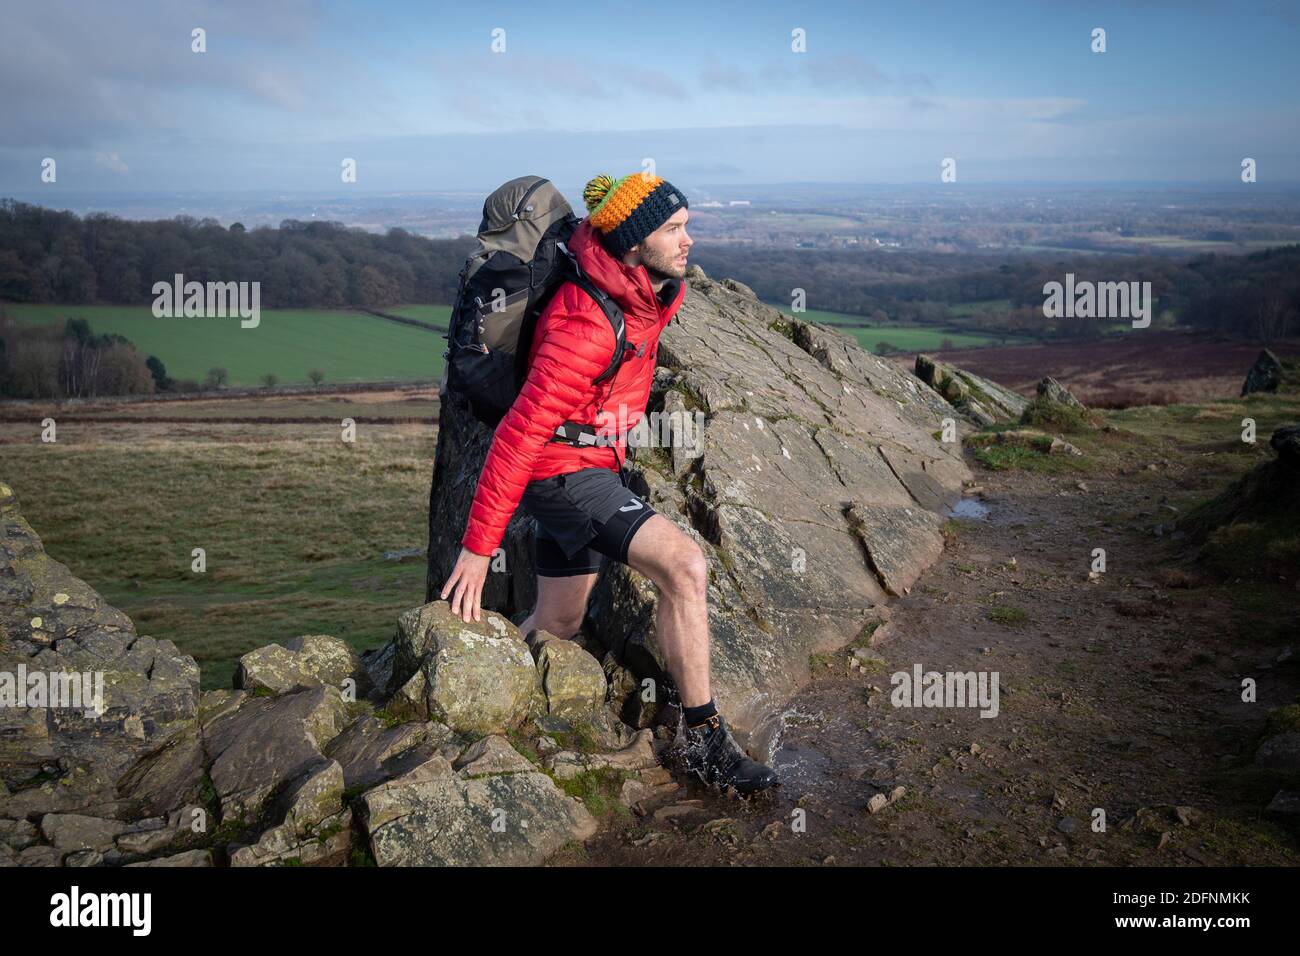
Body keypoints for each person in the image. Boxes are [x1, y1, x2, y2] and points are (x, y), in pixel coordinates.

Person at [440, 172, 777, 795]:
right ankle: (703, 740)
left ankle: (480, 691)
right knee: (684, 567)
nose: (689, 241)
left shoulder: (639, 289)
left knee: (558, 623)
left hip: (591, 464)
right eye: (674, 229)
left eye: (687, 225)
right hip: (565, 474)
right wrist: (479, 547)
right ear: (630, 242)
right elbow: (519, 435)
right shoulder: (585, 324)